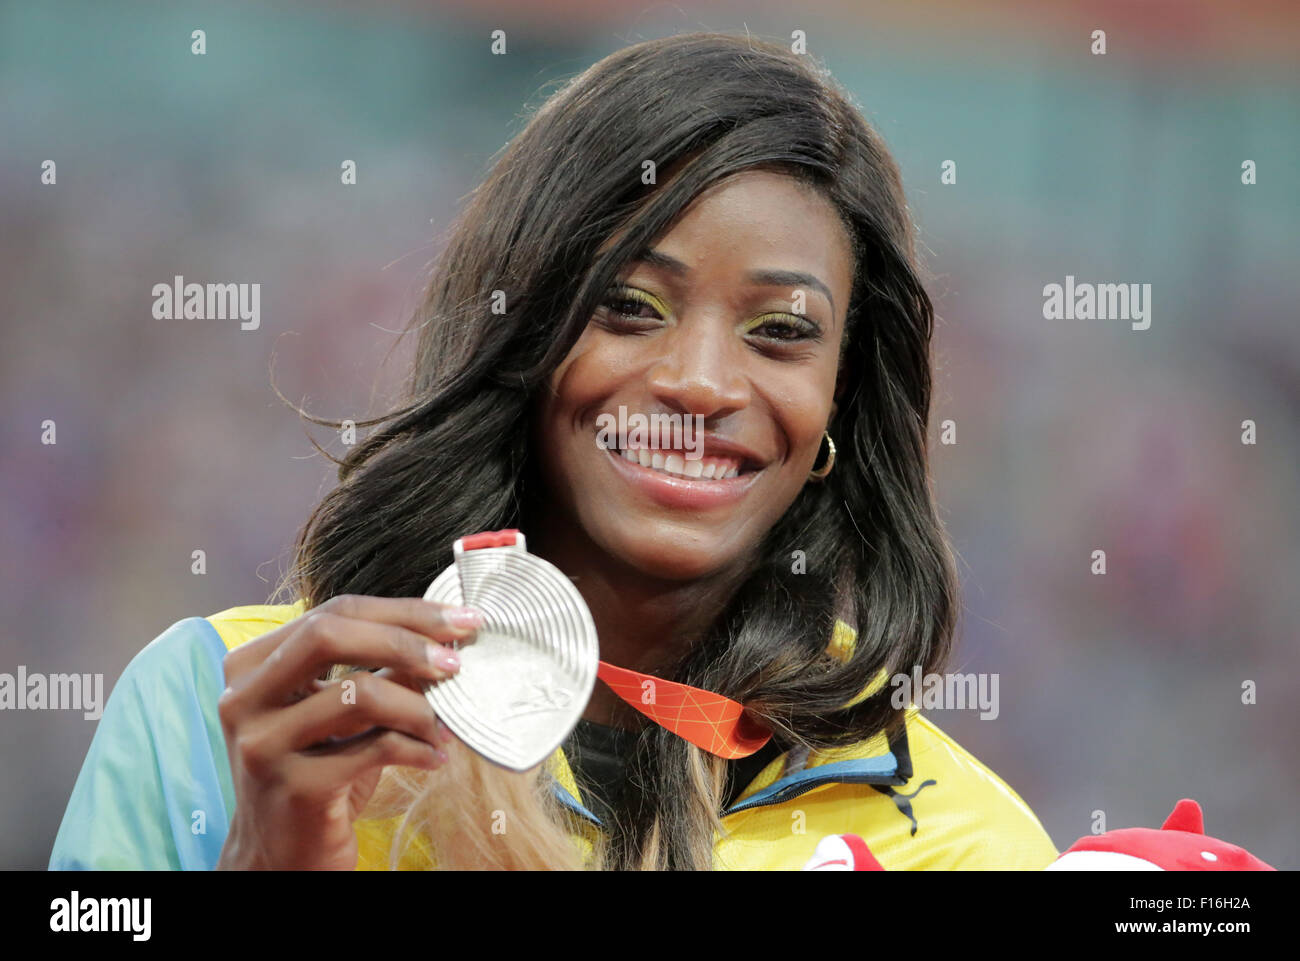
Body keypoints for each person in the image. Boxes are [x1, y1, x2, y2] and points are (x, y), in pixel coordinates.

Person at [49, 32, 1058, 871]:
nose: (700, 383)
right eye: (628, 306)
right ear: (522, 334)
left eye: (781, 331)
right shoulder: (222, 706)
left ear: (842, 399)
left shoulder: (972, 846)